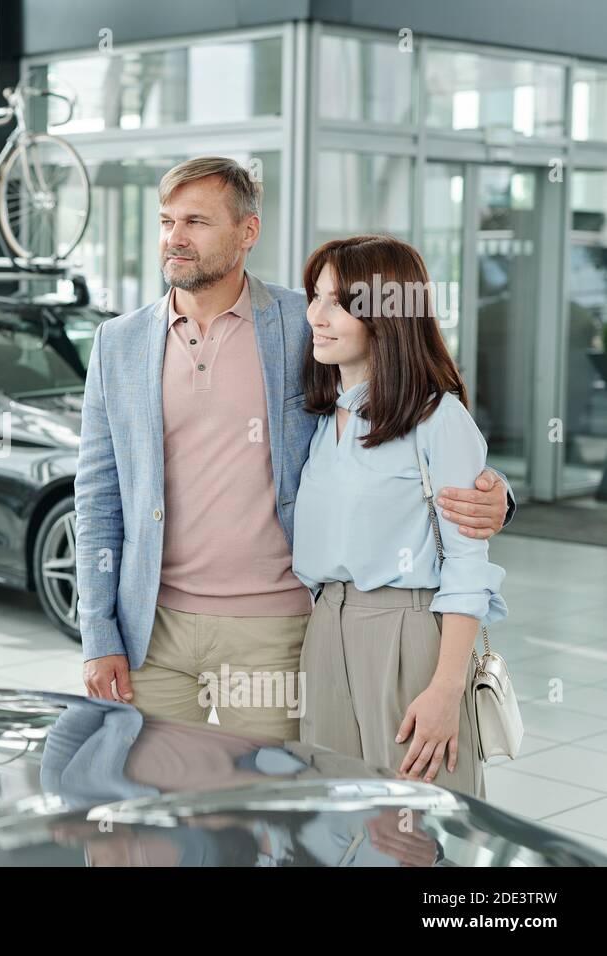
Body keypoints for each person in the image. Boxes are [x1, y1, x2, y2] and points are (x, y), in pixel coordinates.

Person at [75, 156, 512, 740]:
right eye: (166, 221)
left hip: (275, 626)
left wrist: (498, 494)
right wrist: (98, 634)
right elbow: (98, 497)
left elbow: (408, 406)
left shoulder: (305, 325)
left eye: (197, 222)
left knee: (266, 815)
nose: (174, 238)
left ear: (247, 232)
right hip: (151, 630)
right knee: (157, 811)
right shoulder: (117, 343)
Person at [292, 235, 507, 796]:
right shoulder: (322, 420)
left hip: (407, 632)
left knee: (417, 825)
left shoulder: (439, 419)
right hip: (323, 628)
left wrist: (444, 690)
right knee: (336, 819)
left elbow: (467, 567)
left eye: (339, 302)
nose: (316, 315)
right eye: (315, 297)